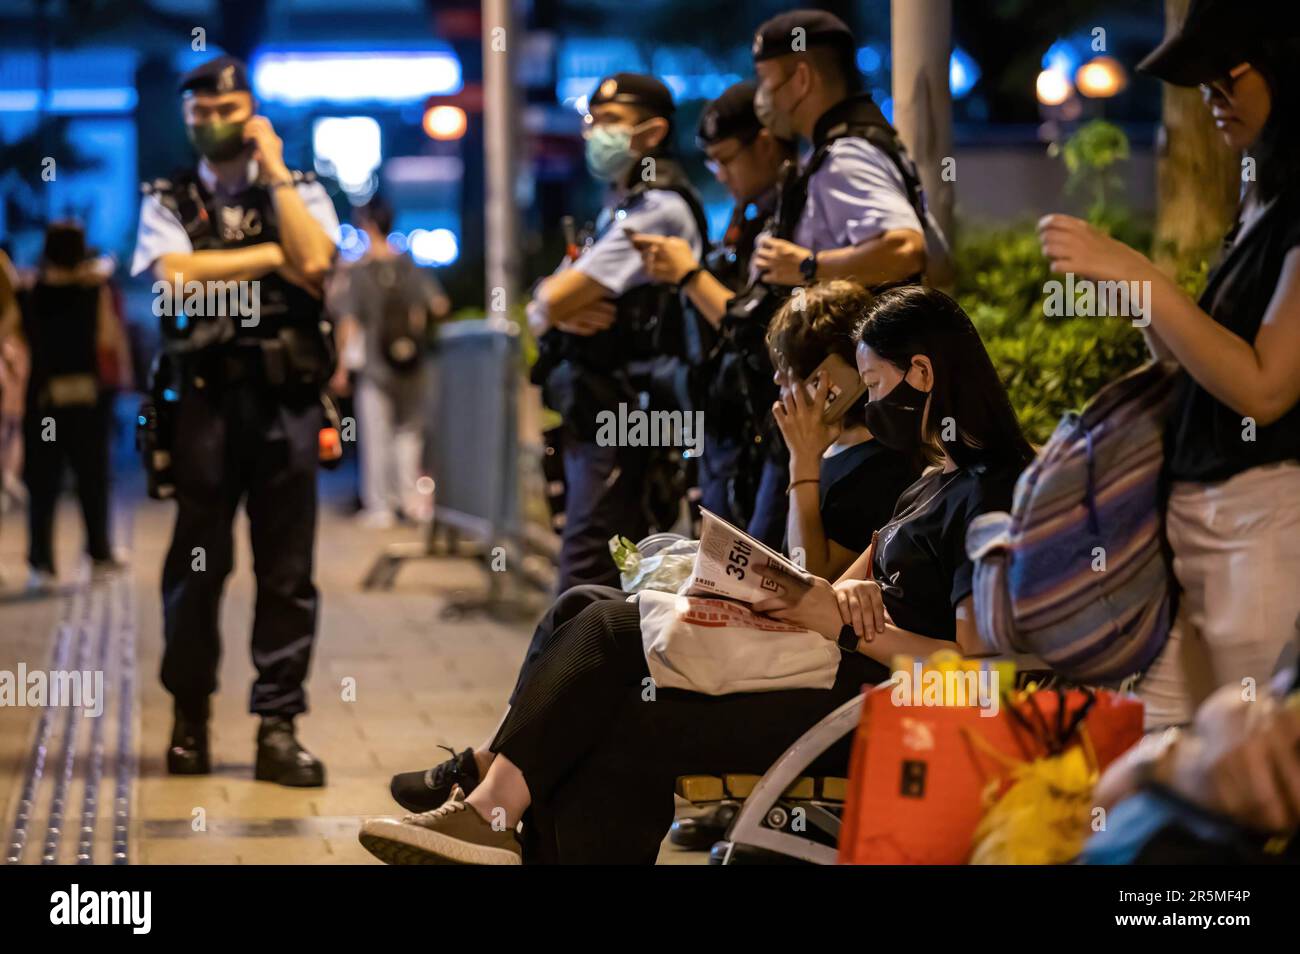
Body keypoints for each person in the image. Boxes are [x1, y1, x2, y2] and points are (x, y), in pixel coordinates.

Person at [358, 285, 1035, 864]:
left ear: (922, 374)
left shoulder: (989, 493)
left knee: (609, 647)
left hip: (869, 706)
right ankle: (489, 818)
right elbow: (824, 586)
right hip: (819, 672)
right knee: (605, 679)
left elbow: (980, 680)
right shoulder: (931, 483)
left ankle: (488, 812)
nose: (871, 402)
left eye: (878, 384)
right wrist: (777, 593)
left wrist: (853, 629)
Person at [1038, 1, 1300, 728]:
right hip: (1202, 531)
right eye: (1203, 85)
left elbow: (1265, 389)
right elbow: (1201, 368)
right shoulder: (1264, 198)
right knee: (1149, 753)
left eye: (1228, 79)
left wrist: (1137, 275)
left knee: (1247, 773)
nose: (1212, 99)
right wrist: (1133, 290)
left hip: (1262, 533)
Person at [129, 55, 339, 786]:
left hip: (287, 403)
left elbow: (316, 263)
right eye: (200, 114)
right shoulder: (168, 198)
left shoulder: (301, 188)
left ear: (252, 115)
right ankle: (190, 720)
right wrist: (270, 256)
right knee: (197, 569)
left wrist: (276, 171)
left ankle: (277, 729)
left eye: (229, 110)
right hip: (205, 408)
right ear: (188, 121)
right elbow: (174, 278)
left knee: (288, 574)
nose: (214, 123)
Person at [526, 73, 708, 591]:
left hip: (631, 416)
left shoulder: (659, 209)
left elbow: (553, 300)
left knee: (592, 569)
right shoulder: (622, 205)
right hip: (606, 410)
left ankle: (572, 669)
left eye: (609, 123)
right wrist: (552, 305)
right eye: (591, 121)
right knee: (601, 563)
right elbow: (548, 305)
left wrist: (554, 305)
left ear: (651, 134)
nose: (593, 134)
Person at [633, 79, 796, 547]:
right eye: (711, 162)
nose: (720, 174)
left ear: (765, 144)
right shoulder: (748, 215)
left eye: (726, 159)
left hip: (772, 427)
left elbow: (757, 327)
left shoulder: (791, 214)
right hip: (726, 427)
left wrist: (688, 274)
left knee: (750, 570)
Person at [766, 281, 921, 579]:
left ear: (838, 376)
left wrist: (802, 463)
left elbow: (810, 579)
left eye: (788, 369)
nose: (777, 379)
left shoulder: (883, 467)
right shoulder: (827, 446)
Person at [19, 223, 128, 591]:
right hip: (86, 398)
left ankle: (41, 564)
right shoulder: (92, 291)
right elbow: (108, 338)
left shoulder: (31, 294)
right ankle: (99, 553)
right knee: (92, 478)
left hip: (43, 400)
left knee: (42, 484)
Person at [329, 197, 449, 528]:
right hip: (412, 361)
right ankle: (410, 501)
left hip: (374, 363)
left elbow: (348, 319)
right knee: (409, 433)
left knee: (375, 434)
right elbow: (438, 304)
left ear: (367, 224)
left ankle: (379, 507)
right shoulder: (411, 265)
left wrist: (340, 367)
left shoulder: (359, 271)